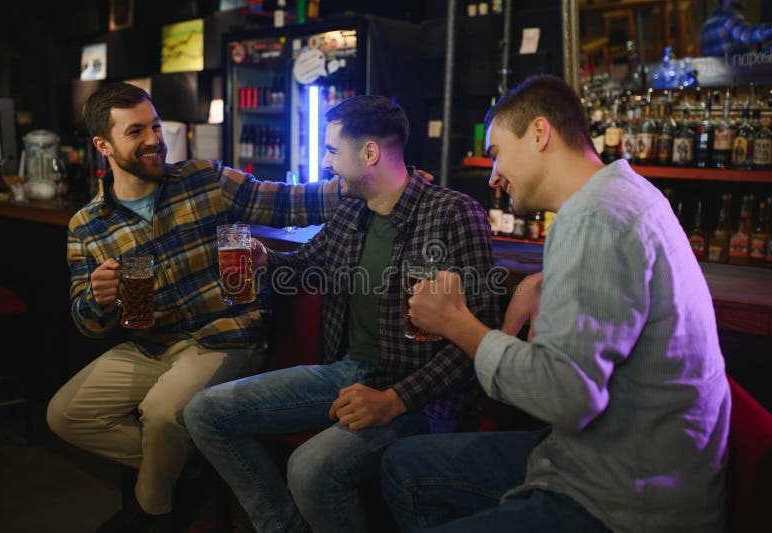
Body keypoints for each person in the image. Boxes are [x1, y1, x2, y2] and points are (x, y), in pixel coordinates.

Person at [381, 75, 730, 532]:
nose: (493, 174)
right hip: (619, 460)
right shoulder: (626, 193)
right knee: (405, 464)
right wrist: (542, 284)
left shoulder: (594, 217)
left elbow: (566, 396)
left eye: (498, 152)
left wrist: (455, 321)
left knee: (407, 470)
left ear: (540, 133)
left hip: (623, 500)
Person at [183, 95, 499, 533]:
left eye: (332, 150)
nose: (326, 162)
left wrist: (394, 400)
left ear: (369, 153)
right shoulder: (351, 209)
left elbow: (478, 342)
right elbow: (305, 269)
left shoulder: (455, 213)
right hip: (349, 373)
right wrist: (263, 259)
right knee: (204, 413)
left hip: (423, 398)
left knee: (310, 469)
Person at [45, 82, 342, 532]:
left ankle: (152, 516)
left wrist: (371, 179)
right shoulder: (87, 225)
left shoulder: (205, 180)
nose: (153, 140)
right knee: (65, 415)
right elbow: (86, 321)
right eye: (135, 131)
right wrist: (99, 299)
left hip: (225, 335)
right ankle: (200, 463)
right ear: (102, 145)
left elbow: (288, 203)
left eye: (156, 126)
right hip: (152, 345)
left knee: (163, 414)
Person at [701, 0, 772, 57]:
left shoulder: (706, 26)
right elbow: (748, 36)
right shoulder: (728, 18)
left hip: (718, 73)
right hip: (742, 72)